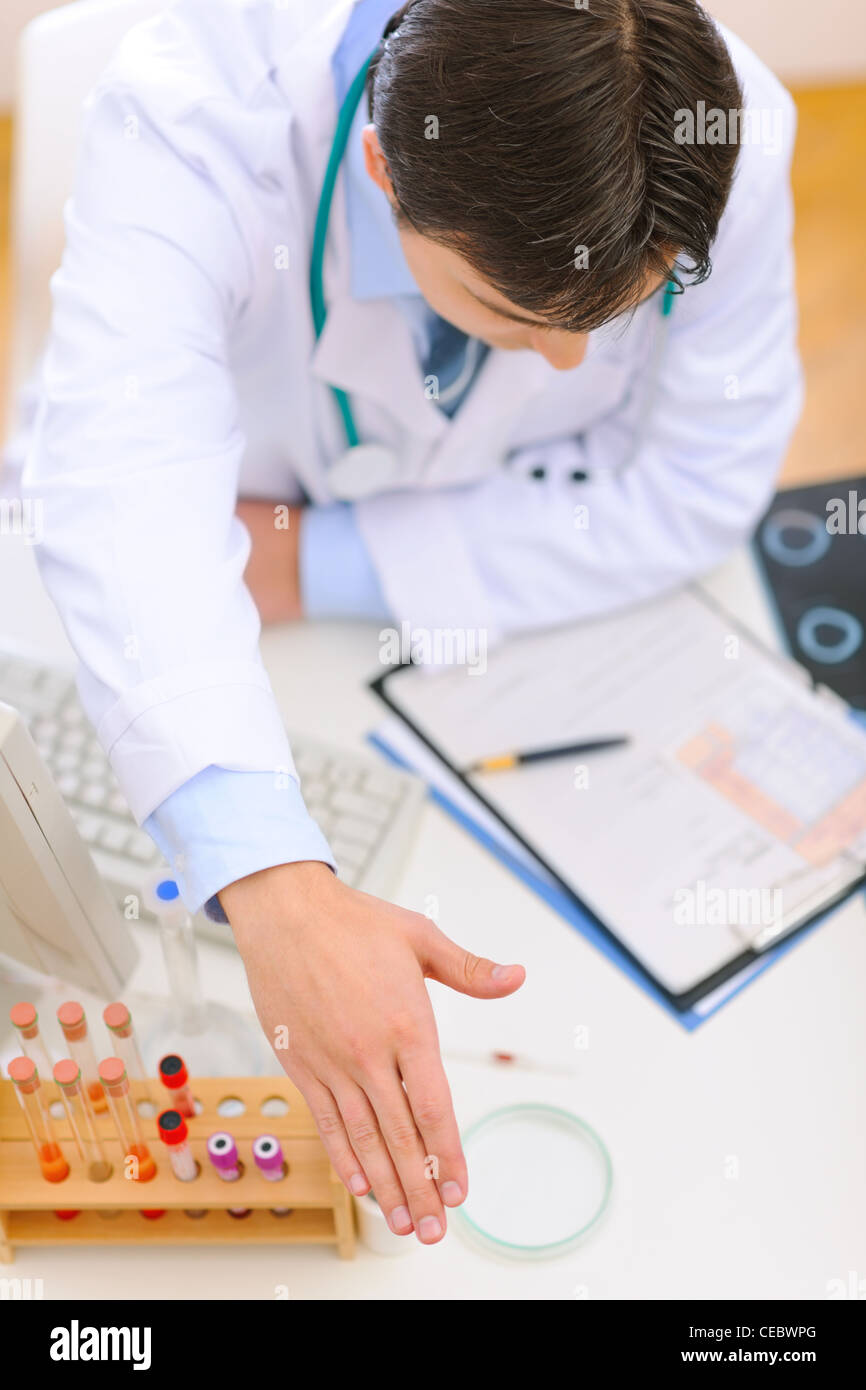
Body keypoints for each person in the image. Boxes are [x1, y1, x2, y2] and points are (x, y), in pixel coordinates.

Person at [19, 0, 802, 1245]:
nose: (562, 367)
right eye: (510, 315)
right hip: (206, 587)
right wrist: (274, 886)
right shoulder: (196, 106)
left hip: (392, 595)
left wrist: (315, 560)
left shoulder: (722, 134)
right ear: (384, 164)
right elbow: (123, 491)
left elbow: (697, 482)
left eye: (607, 324)